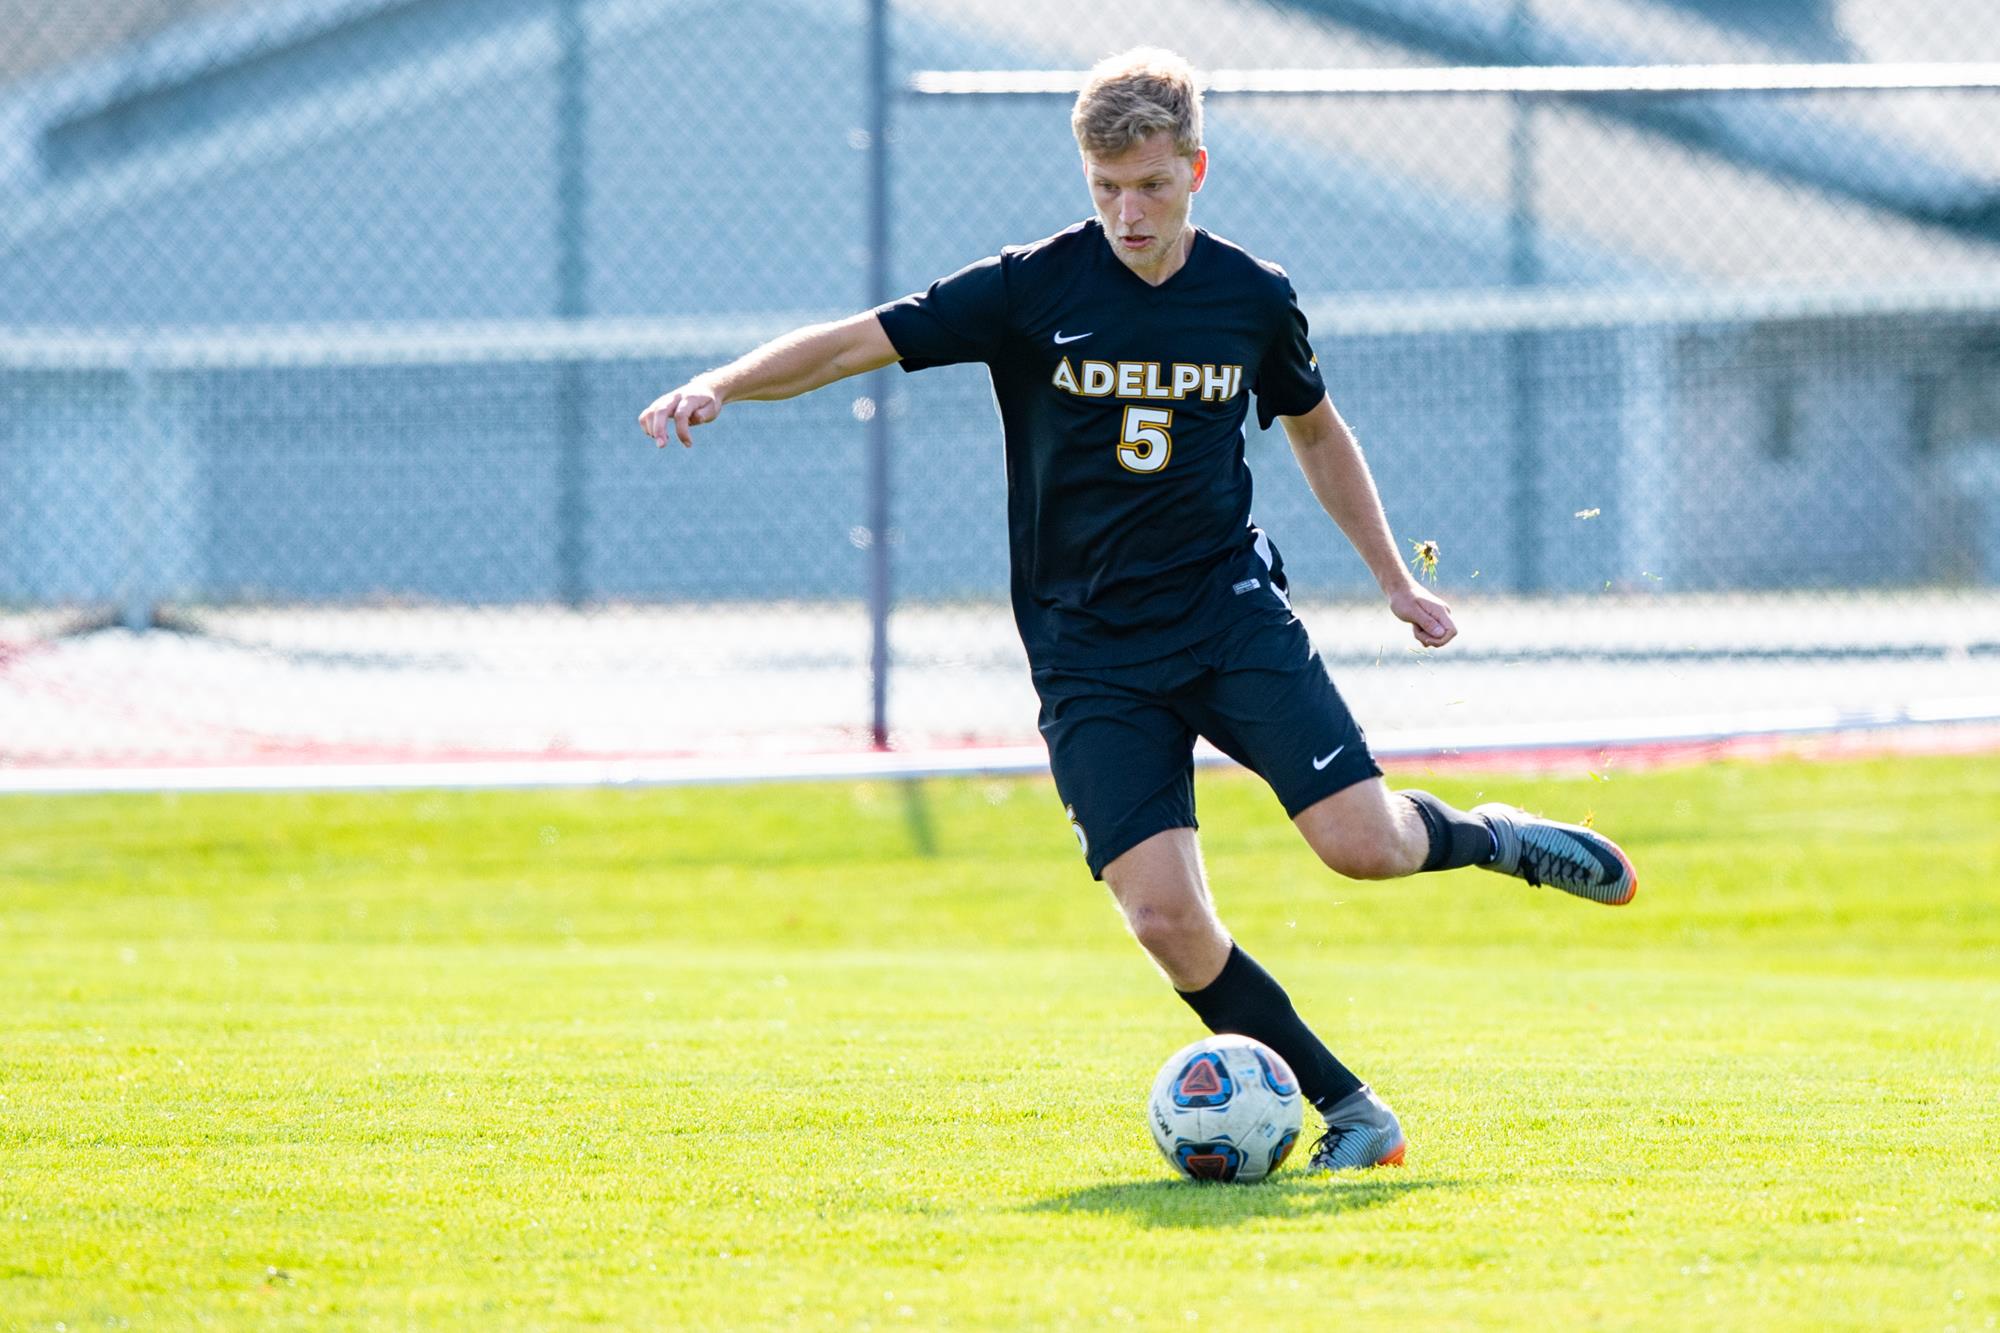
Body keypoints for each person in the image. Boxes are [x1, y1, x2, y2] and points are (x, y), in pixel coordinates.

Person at [639, 47, 1637, 1173]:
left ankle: (1490, 835)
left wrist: (1392, 579)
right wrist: (721, 380)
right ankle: (1351, 1110)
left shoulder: (1251, 297)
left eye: (1149, 186)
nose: (1125, 210)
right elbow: (855, 340)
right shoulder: (1030, 286)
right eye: (1104, 186)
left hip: (1226, 617)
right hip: (1086, 657)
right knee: (1165, 922)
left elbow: (1313, 429)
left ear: (1193, 169)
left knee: (1363, 848)